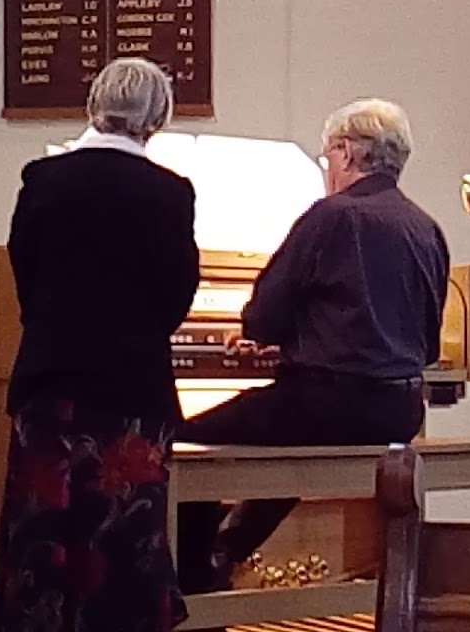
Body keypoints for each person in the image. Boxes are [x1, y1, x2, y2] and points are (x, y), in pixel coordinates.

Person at [177, 98, 451, 593]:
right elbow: (426, 345)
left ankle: (198, 586)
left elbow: (262, 316)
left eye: (328, 156)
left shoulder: (332, 216)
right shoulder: (425, 227)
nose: (328, 168)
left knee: (184, 447)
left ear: (346, 153)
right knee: (284, 447)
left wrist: (279, 341)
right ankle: (228, 552)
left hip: (328, 406)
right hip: (398, 410)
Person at [0, 58, 199, 632]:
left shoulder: (43, 178)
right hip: (133, 390)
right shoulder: (170, 193)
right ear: (157, 118)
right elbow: (178, 292)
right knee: (124, 546)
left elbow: (24, 271)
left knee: (43, 540)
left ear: (93, 106)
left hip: (51, 386)